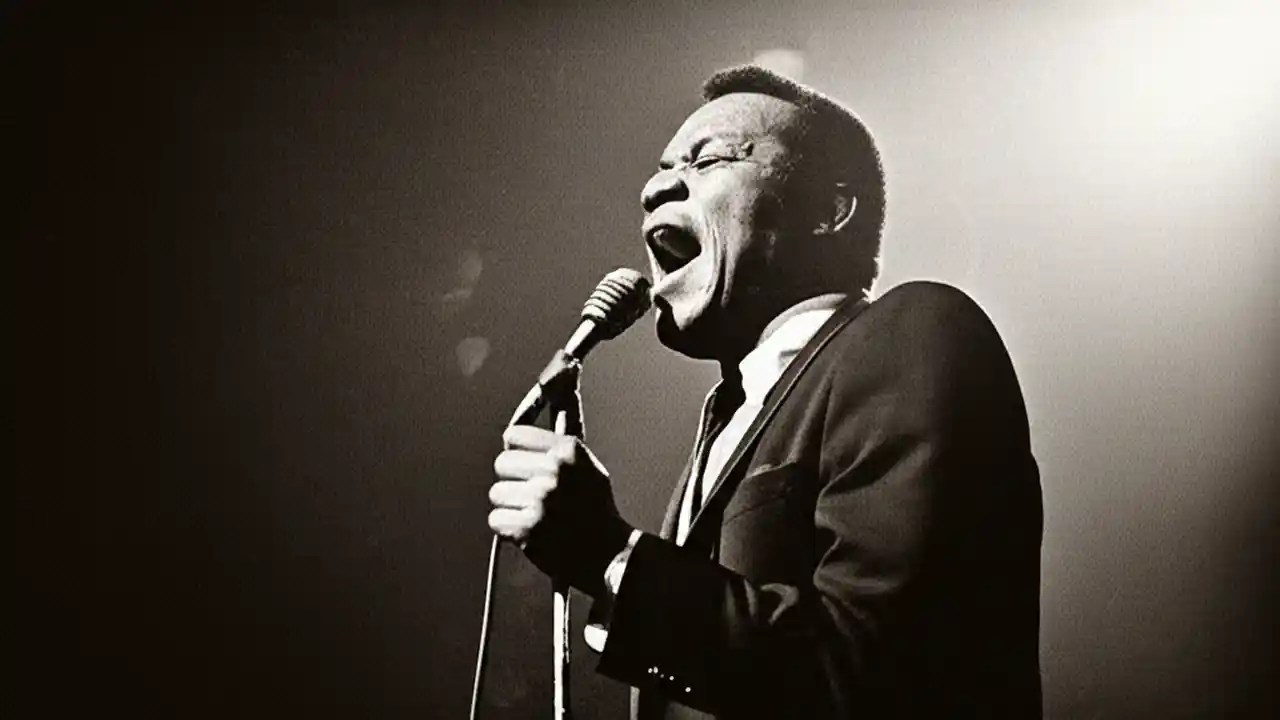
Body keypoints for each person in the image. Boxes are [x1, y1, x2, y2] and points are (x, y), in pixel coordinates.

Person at [488, 65, 1043, 719]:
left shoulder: (915, 332)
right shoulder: (726, 421)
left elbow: (878, 670)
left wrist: (610, 555)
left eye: (708, 159)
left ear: (828, 211)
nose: (654, 187)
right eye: (664, 166)